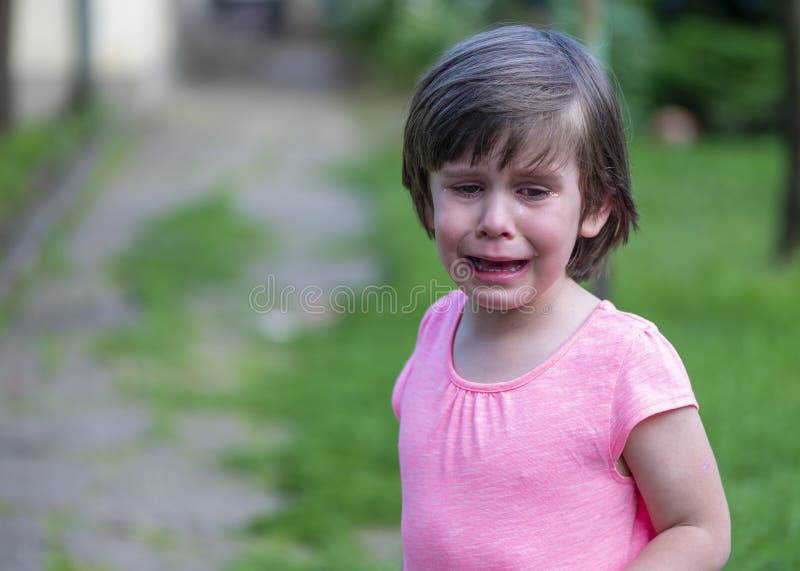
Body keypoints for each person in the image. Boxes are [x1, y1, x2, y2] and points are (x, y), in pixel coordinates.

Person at [392, 25, 730, 570]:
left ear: (595, 205)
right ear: (427, 199)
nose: (496, 221)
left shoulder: (623, 362)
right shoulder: (438, 328)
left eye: (533, 190)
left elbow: (699, 528)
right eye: (467, 187)